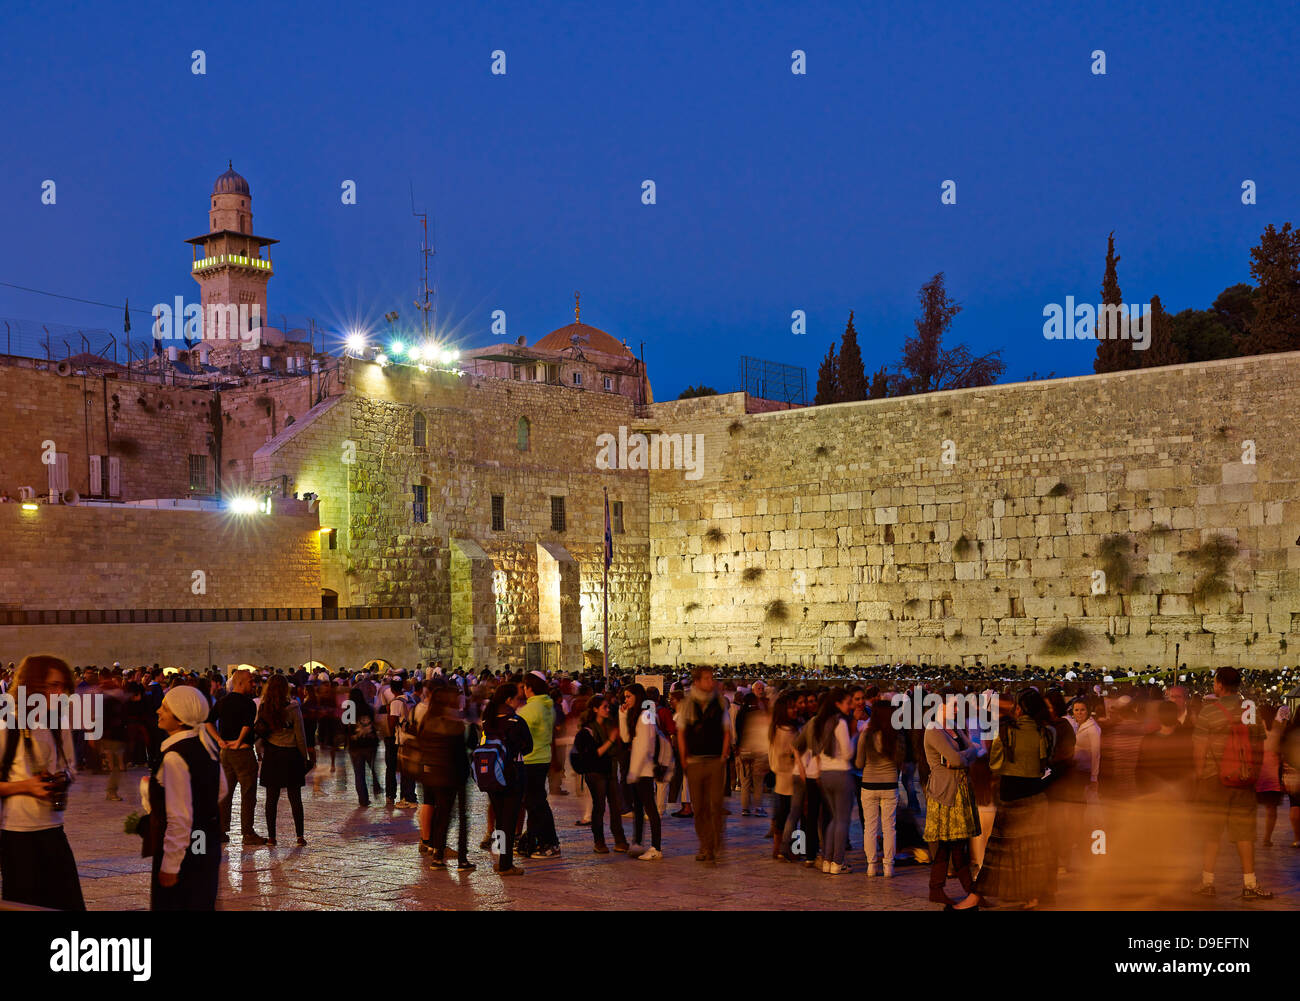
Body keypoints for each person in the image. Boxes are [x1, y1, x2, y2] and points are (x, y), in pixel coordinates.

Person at [0, 655, 85, 910]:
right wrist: (26, 786)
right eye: (54, 686)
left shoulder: (59, 722)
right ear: (33, 686)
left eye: (64, 687)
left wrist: (62, 779)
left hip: (53, 829)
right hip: (16, 834)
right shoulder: (7, 723)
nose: (61, 693)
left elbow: (71, 767)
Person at [1193, 666, 1272, 899]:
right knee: (1245, 834)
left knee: (1211, 833)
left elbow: (1200, 749)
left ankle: (1207, 882)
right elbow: (1259, 746)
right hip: (1244, 780)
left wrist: (1200, 777)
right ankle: (1249, 884)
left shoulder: (1208, 712)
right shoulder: (1250, 710)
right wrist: (1253, 774)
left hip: (1213, 780)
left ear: (1219, 684)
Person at [974, 688, 1055, 909]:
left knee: (1007, 850)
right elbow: (1045, 763)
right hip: (1036, 797)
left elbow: (995, 764)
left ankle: (1006, 892)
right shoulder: (1045, 732)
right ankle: (1033, 896)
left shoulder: (1007, 732)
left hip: (1011, 797)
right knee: (1032, 851)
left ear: (1020, 708)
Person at [147, 685, 226, 910]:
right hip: (204, 842)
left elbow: (179, 818)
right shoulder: (205, 747)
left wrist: (170, 866)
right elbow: (220, 789)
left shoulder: (174, 756)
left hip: (181, 851)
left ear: (180, 718)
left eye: (165, 708)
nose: (158, 712)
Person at [923, 691, 984, 910]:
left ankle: (955, 890)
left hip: (959, 791)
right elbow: (959, 757)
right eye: (953, 706)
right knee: (950, 844)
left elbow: (972, 753)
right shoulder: (933, 731)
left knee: (957, 844)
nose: (958, 710)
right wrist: (964, 756)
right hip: (945, 794)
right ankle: (954, 889)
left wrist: (962, 757)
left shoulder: (955, 728)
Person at [415, 687, 476, 871]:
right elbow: (467, 746)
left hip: (434, 774)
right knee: (462, 817)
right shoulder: (454, 721)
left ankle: (438, 857)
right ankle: (462, 860)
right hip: (454, 774)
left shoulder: (428, 719)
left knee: (442, 815)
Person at [676, 666, 732, 863]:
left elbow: (727, 730)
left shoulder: (719, 702)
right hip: (695, 761)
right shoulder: (687, 704)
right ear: (697, 681)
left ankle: (715, 844)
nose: (711, 682)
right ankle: (705, 844)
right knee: (699, 807)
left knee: (716, 805)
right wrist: (684, 758)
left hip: (715, 760)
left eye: (711, 678)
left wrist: (724, 754)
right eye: (707, 678)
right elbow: (681, 732)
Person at [205, 669, 267, 845]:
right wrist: (239, 741)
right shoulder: (248, 704)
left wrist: (219, 741)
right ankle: (247, 833)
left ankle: (221, 831)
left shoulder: (222, 701)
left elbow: (208, 721)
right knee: (248, 793)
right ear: (239, 682)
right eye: (250, 681)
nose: (253, 684)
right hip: (243, 752)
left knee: (225, 793)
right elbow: (247, 726)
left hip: (225, 754)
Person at [480, 683, 532, 875]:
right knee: (510, 819)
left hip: (492, 773)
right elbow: (529, 747)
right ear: (508, 700)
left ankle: (500, 856)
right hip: (513, 772)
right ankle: (505, 864)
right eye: (517, 698)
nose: (519, 702)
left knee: (500, 817)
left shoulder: (487, 721)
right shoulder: (516, 722)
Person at [256, 675, 312, 846]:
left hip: (272, 755)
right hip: (291, 755)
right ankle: (299, 836)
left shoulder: (264, 707)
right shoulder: (294, 707)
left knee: (271, 799)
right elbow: (300, 735)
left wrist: (260, 753)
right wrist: (304, 757)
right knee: (295, 798)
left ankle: (272, 837)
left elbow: (259, 733)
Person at [573, 695, 629, 853]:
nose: (608, 709)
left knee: (616, 805)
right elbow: (593, 754)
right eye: (604, 706)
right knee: (599, 807)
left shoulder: (610, 724)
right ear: (595, 709)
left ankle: (620, 840)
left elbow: (621, 743)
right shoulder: (588, 730)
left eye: (608, 706)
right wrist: (610, 741)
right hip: (595, 772)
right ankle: (599, 842)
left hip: (610, 769)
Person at [856, 697, 905, 876]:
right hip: (890, 783)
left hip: (869, 783)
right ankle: (888, 865)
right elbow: (900, 761)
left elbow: (859, 762)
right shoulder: (897, 735)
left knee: (870, 826)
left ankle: (871, 865)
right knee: (889, 827)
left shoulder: (866, 734)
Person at [811, 688, 855, 875]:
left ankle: (827, 860)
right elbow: (847, 753)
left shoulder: (819, 722)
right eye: (847, 702)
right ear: (838, 704)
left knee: (833, 819)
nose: (850, 706)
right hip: (841, 773)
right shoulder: (840, 723)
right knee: (842, 820)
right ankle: (838, 861)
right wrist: (856, 737)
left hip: (826, 774)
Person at [518, 671, 559, 858]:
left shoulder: (531, 710)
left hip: (531, 760)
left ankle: (550, 843)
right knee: (535, 803)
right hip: (542, 757)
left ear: (529, 688)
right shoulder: (548, 706)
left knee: (537, 804)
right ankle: (533, 840)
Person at [620, 683, 663, 860]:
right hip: (637, 769)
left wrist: (635, 770)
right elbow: (625, 738)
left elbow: (646, 745)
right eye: (625, 697)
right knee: (638, 808)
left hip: (644, 769)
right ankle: (637, 843)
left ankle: (656, 847)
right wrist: (622, 715)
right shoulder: (636, 714)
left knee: (649, 809)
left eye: (629, 696)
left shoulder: (646, 715)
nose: (626, 700)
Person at [768, 692, 798, 861]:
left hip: (790, 779)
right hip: (785, 779)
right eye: (791, 708)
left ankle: (787, 847)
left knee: (789, 815)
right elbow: (775, 758)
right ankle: (781, 847)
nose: (794, 710)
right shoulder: (781, 731)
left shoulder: (789, 729)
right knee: (786, 815)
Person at [735, 691, 771, 817]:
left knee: (745, 781)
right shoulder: (758, 715)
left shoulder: (741, 714)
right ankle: (758, 807)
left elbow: (737, 732)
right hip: (757, 751)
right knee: (758, 782)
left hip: (744, 751)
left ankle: (745, 808)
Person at [344, 685, 381, 806]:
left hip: (355, 745)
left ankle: (363, 799)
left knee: (359, 773)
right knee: (372, 768)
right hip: (370, 743)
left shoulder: (348, 711)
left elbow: (345, 727)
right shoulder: (369, 708)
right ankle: (376, 785)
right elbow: (375, 723)